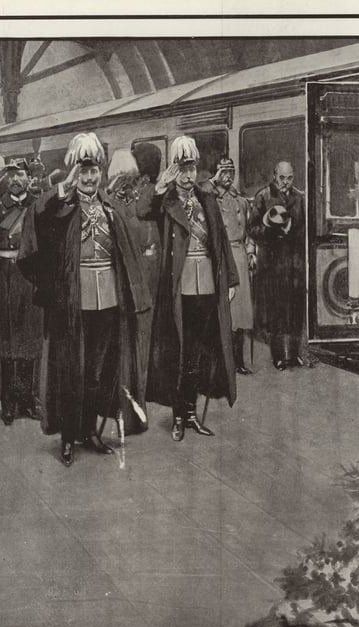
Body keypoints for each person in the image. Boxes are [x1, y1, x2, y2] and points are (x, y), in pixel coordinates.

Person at [19, 133, 152, 467]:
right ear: (73, 172)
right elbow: (35, 220)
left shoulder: (110, 207)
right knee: (71, 371)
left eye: (94, 170)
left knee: (97, 371)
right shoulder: (60, 207)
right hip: (72, 302)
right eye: (83, 170)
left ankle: (90, 430)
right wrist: (59, 191)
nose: (90, 177)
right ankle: (68, 437)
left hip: (107, 299)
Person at [137, 135, 238, 442]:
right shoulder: (165, 202)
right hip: (179, 288)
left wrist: (230, 280)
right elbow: (142, 210)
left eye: (192, 168)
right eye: (182, 169)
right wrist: (159, 187)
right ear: (174, 170)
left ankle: (191, 413)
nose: (189, 175)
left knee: (200, 354)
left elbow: (220, 240)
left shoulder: (206, 199)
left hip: (207, 284)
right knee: (179, 354)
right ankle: (179, 415)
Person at [0, 156, 43, 425]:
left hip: (29, 276)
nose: (15, 179)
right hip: (4, 274)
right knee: (5, 339)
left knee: (28, 337)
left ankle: (28, 399)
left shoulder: (36, 204)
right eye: (11, 175)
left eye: (20, 174)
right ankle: (9, 402)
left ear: (28, 178)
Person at [251, 160, 308, 370]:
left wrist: (293, 234)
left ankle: (294, 354)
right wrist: (272, 232)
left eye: (290, 178)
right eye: (282, 178)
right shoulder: (263, 196)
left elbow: (303, 230)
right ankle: (278, 356)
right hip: (273, 265)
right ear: (274, 176)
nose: (286, 182)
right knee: (276, 313)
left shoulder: (300, 198)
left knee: (295, 311)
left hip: (294, 264)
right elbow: (253, 230)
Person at [211, 157, 257, 375]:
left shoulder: (241, 201)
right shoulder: (211, 199)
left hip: (239, 257)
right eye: (224, 171)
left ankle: (238, 361)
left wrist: (251, 253)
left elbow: (249, 232)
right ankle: (222, 364)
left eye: (231, 171)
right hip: (221, 257)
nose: (228, 176)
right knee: (224, 312)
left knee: (240, 314)